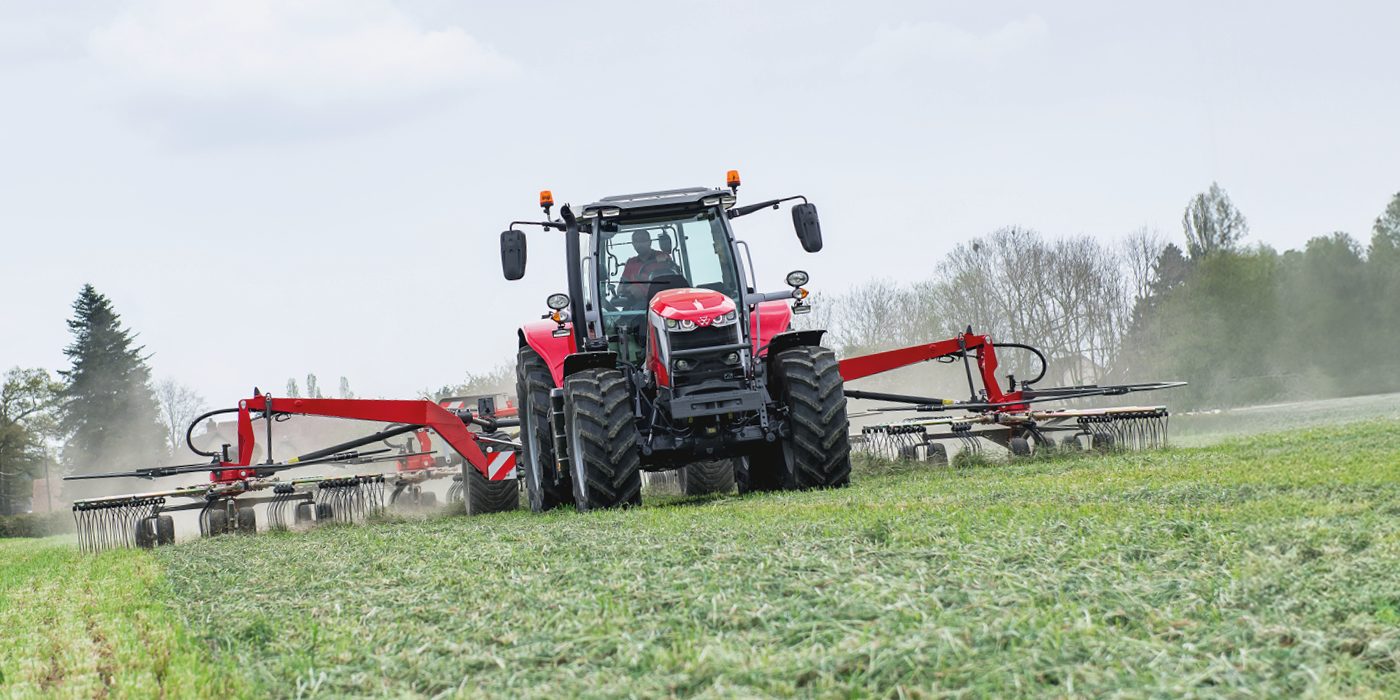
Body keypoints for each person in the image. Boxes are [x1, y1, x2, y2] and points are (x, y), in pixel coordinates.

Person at [619, 229, 678, 305]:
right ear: (633, 244)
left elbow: (676, 279)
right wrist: (630, 288)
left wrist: (666, 262)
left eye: (643, 240)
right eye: (636, 241)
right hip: (636, 306)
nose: (640, 244)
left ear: (650, 242)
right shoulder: (630, 263)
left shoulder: (663, 257)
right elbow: (619, 289)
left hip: (662, 303)